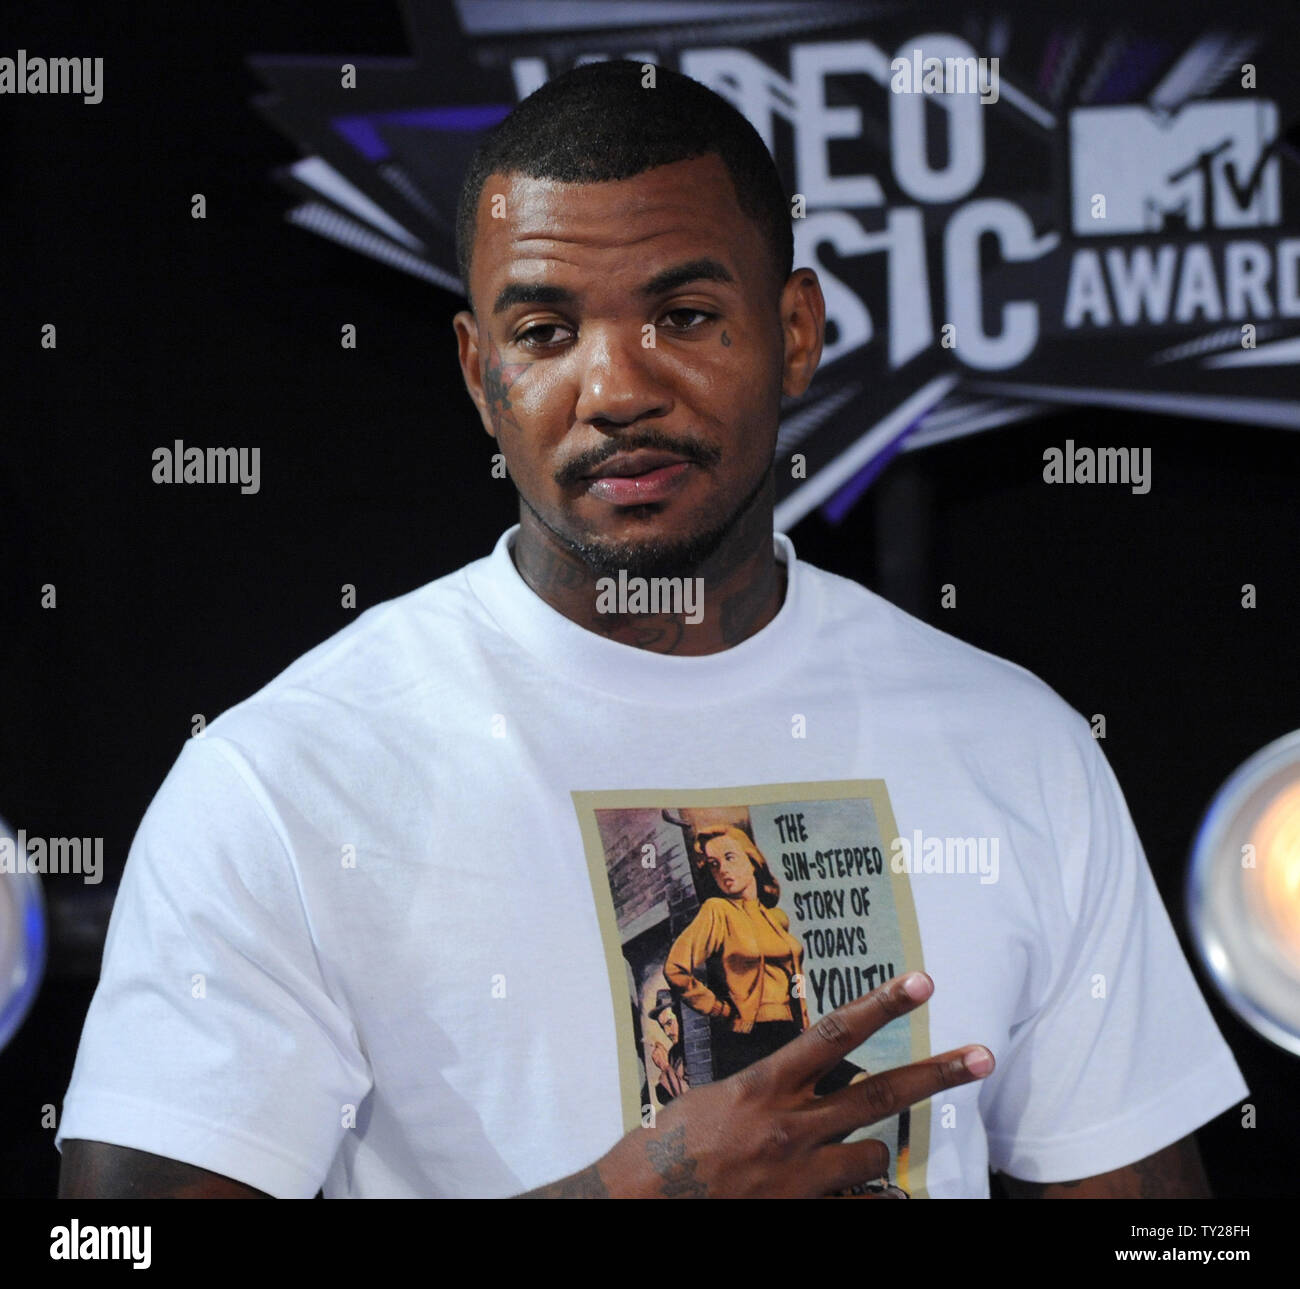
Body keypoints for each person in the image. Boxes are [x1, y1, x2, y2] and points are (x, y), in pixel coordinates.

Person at [56, 59, 1246, 1199]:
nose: (616, 387)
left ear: (793, 332)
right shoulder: (284, 781)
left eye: (682, 313)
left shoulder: (1016, 742)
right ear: (479, 374)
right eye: (542, 332)